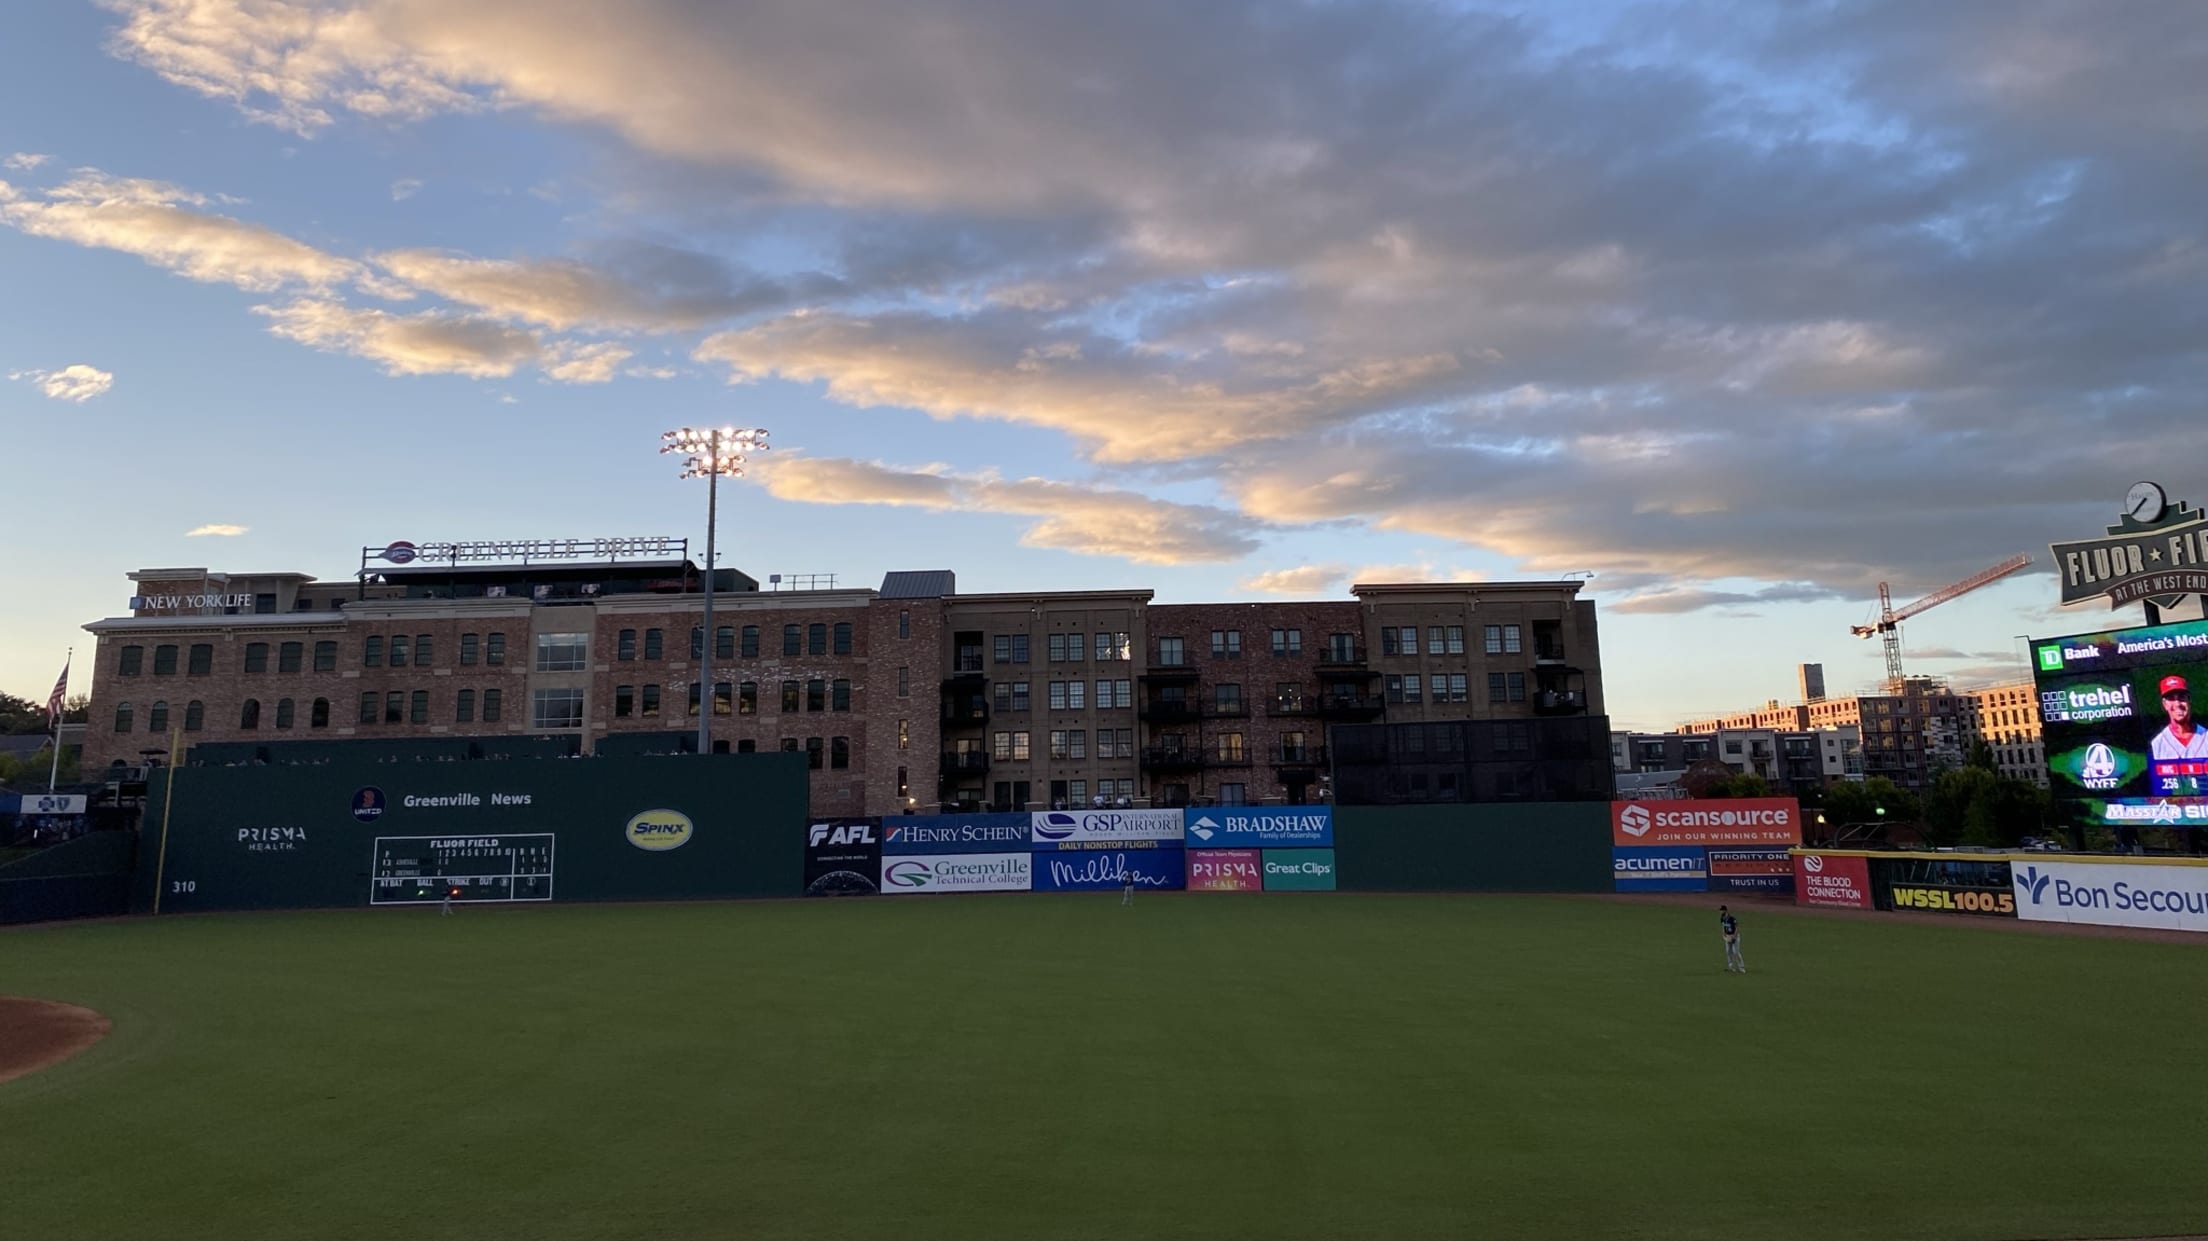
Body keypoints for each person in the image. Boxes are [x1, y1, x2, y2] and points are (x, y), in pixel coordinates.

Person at [2151, 676, 2208, 759]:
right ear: (2164, 704)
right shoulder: (2158, 743)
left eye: (2181, 698)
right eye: (2171, 699)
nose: (2177, 704)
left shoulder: (2206, 737)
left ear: (2189, 700)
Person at [1719, 905, 1744, 973]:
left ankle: (1741, 967)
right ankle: (1731, 967)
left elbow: (1736, 928)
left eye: (1722, 910)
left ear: (1725, 910)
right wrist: (1724, 934)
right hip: (1728, 936)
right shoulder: (1722, 918)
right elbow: (1723, 926)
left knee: (1736, 952)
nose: (1721, 912)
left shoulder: (1732, 919)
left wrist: (1734, 937)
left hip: (1734, 936)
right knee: (1728, 952)